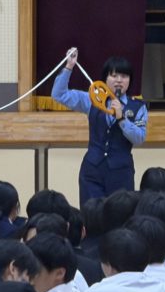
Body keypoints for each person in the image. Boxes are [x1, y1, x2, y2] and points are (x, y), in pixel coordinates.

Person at [53, 48, 148, 204]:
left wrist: (122, 119)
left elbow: (139, 138)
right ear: (105, 78)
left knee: (120, 215)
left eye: (124, 76)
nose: (119, 80)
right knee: (91, 214)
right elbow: (59, 95)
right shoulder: (92, 99)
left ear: (130, 80)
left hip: (121, 173)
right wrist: (69, 66)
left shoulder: (138, 107)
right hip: (92, 171)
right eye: (114, 75)